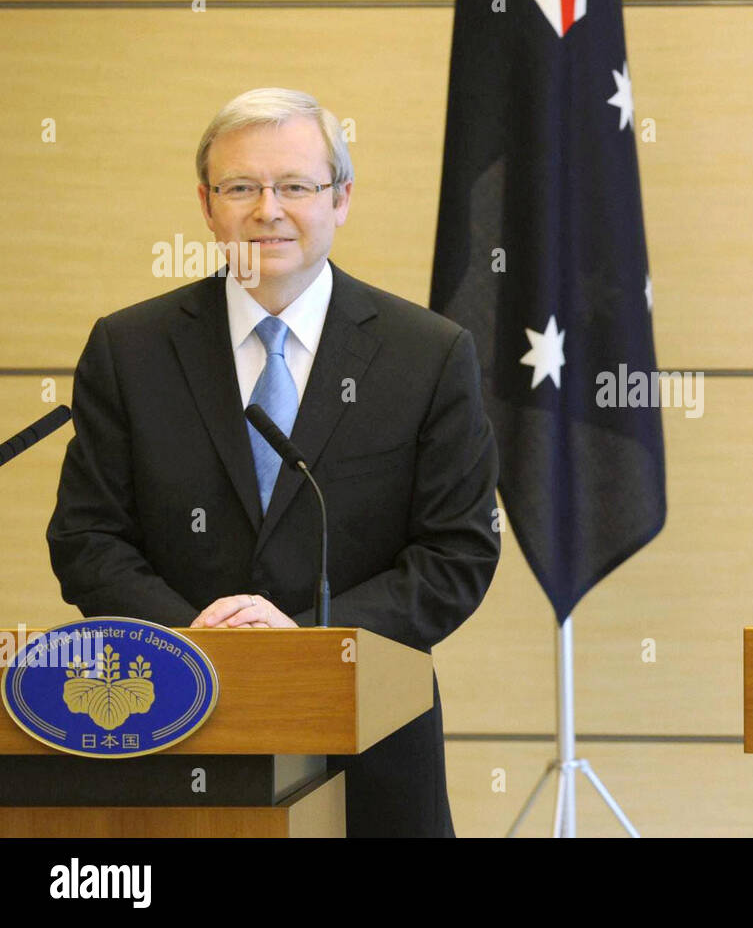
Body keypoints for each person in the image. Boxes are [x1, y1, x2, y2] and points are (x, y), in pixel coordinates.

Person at [46, 87, 501, 836]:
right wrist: (196, 636)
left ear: (341, 198)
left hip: (371, 748)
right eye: (241, 188)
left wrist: (304, 641)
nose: (268, 209)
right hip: (172, 733)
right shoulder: (130, 351)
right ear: (206, 204)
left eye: (295, 186)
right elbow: (86, 540)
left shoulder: (429, 355)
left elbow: (458, 553)